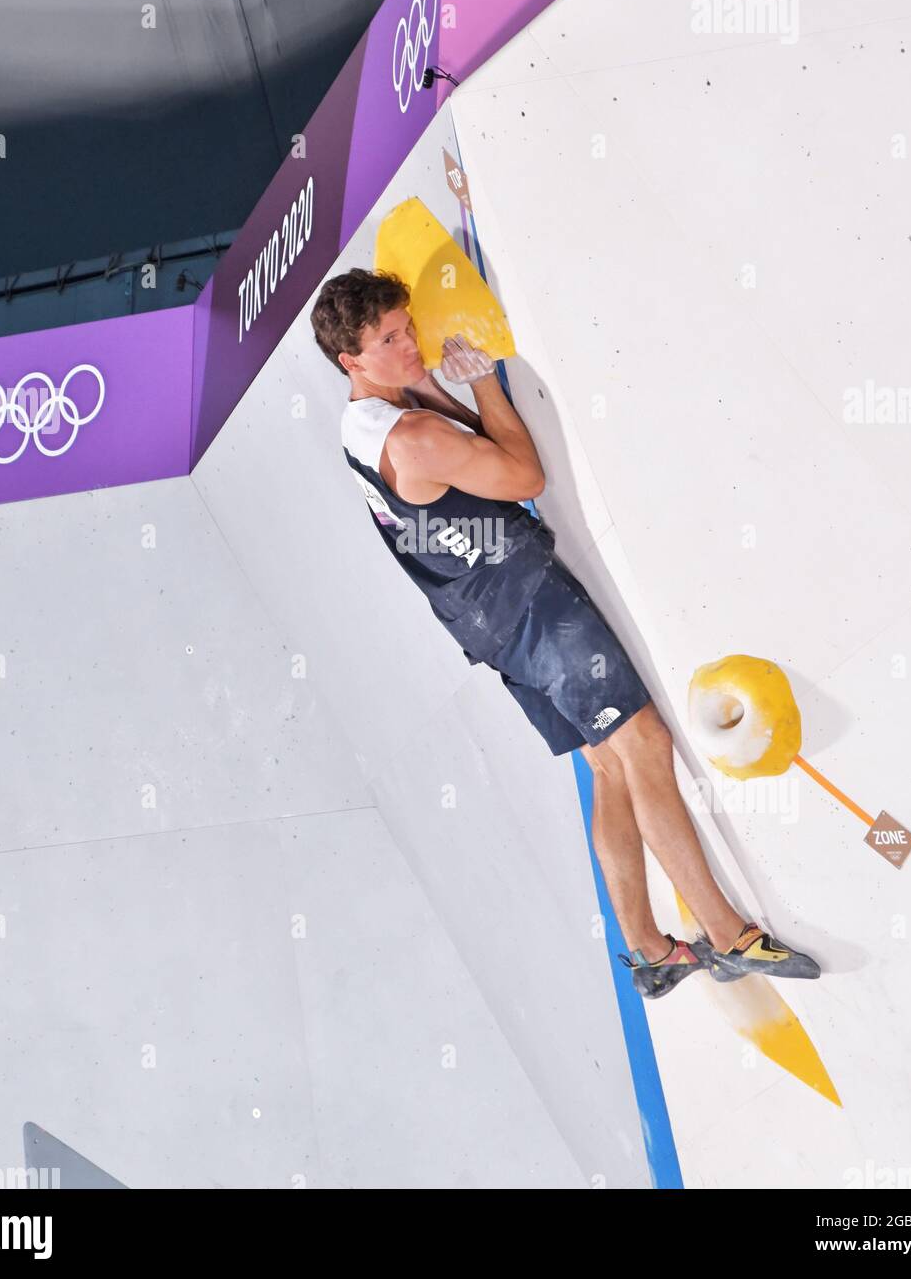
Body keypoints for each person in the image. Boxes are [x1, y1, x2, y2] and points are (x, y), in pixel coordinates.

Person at [310, 267, 820, 999]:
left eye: (404, 326)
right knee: (643, 746)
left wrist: (424, 380)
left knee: (609, 769)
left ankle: (649, 952)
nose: (408, 343)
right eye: (387, 340)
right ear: (348, 361)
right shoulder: (415, 436)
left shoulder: (359, 422)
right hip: (529, 607)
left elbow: (416, 420)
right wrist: (483, 383)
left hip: (485, 627)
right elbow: (523, 476)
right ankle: (727, 936)